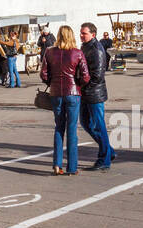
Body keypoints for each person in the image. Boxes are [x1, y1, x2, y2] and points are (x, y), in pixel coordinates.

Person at [40, 24, 89, 175]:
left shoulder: (49, 52)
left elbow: (43, 74)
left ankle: (57, 164)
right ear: (72, 36)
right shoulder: (77, 53)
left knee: (59, 128)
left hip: (56, 93)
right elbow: (86, 76)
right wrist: (78, 85)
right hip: (73, 93)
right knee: (72, 130)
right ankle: (72, 167)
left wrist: (52, 83)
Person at [79, 22, 113, 169]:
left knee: (99, 126)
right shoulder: (84, 47)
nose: (81, 35)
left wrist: (84, 87)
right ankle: (109, 151)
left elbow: (97, 76)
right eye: (80, 32)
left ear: (93, 34)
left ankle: (104, 159)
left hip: (94, 94)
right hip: (86, 93)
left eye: (84, 33)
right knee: (86, 124)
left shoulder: (96, 49)